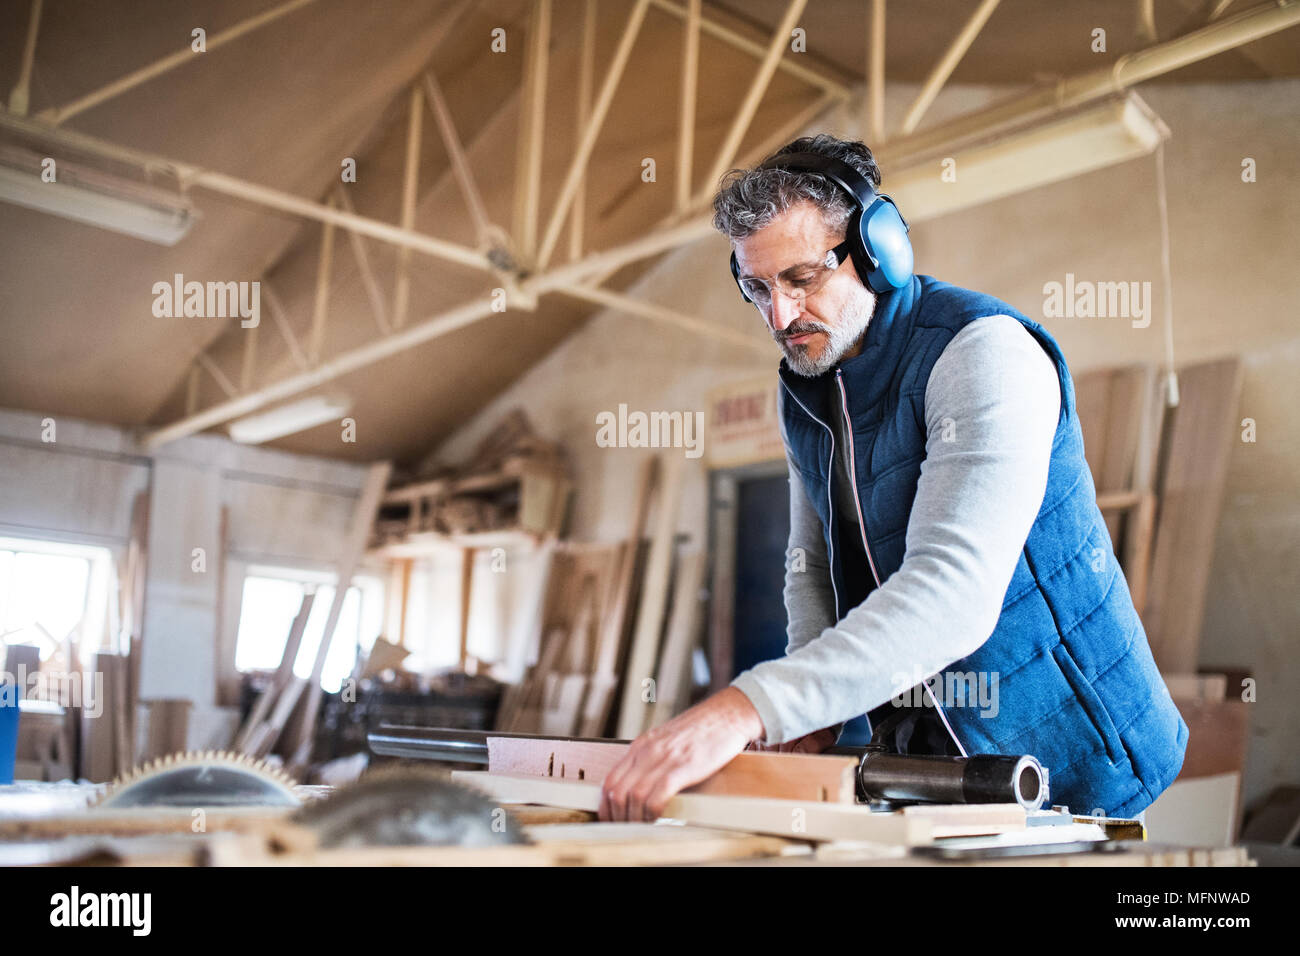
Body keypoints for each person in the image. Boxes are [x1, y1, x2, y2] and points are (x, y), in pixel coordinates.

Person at [598, 133, 1186, 823]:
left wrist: (747, 707)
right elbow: (811, 571)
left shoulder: (983, 354)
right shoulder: (807, 387)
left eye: (801, 278)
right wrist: (805, 719)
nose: (779, 317)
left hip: (1080, 766)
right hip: (935, 770)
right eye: (756, 288)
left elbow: (953, 592)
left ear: (879, 251)